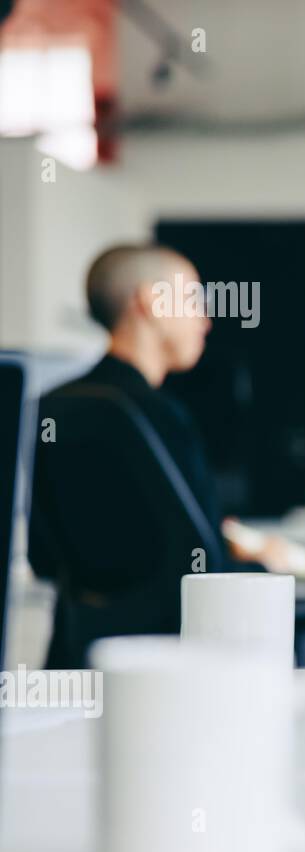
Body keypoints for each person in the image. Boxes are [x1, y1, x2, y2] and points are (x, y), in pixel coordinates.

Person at [30, 244, 291, 666]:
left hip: (77, 660)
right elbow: (201, 576)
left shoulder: (49, 406)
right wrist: (266, 566)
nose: (205, 321)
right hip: (165, 671)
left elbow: (46, 556)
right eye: (193, 300)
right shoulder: (153, 413)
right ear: (151, 301)